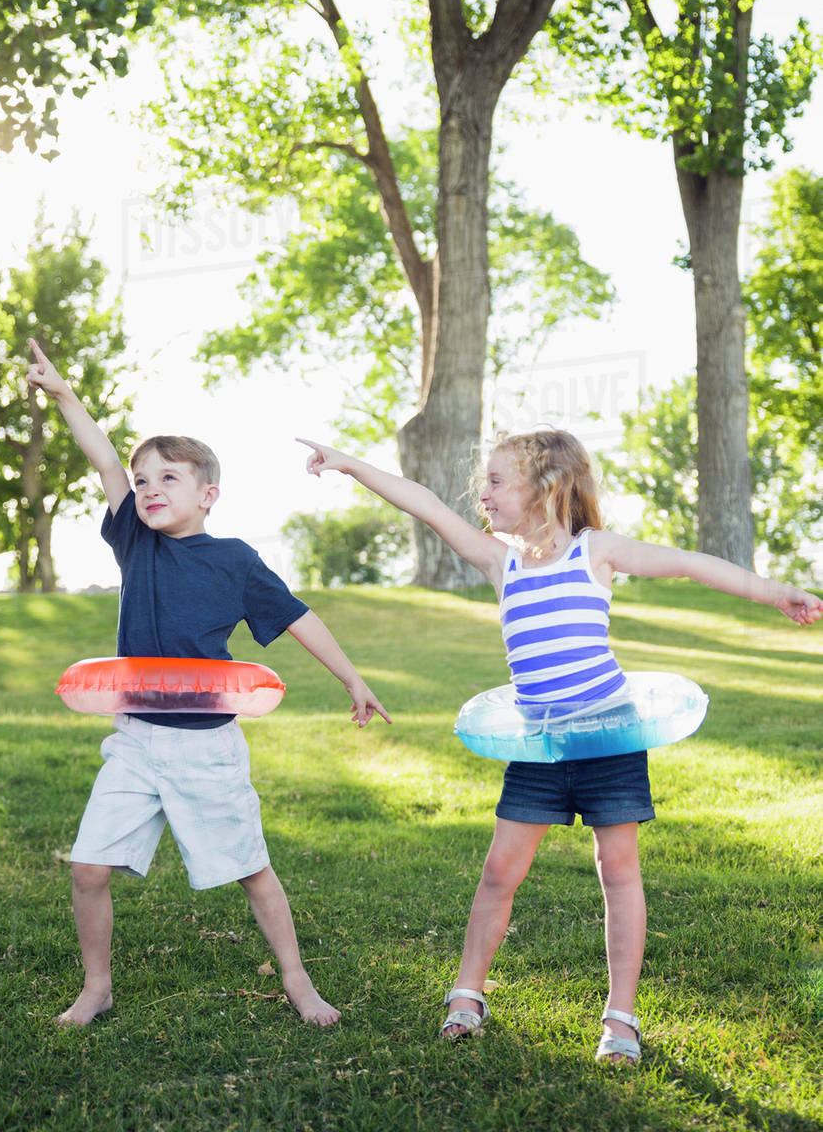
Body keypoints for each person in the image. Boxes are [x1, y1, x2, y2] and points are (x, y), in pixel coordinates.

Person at [298, 430, 821, 1063]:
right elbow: (427, 505)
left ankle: (621, 1017)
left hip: (608, 738)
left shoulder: (592, 552)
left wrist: (775, 592)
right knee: (498, 873)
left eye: (496, 481)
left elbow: (686, 562)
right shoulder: (501, 562)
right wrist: (351, 465)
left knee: (617, 871)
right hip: (539, 746)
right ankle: (467, 992)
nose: (481, 494)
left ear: (545, 487)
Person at [26, 340, 390, 1029]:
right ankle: (96, 987)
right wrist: (65, 395)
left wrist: (353, 677)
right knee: (87, 868)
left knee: (253, 870)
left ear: (207, 493)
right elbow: (105, 459)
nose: (149, 489)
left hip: (207, 745)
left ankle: (297, 980)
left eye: (168, 478)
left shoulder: (235, 562)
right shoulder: (136, 539)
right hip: (134, 739)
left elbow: (298, 619)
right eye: (142, 481)